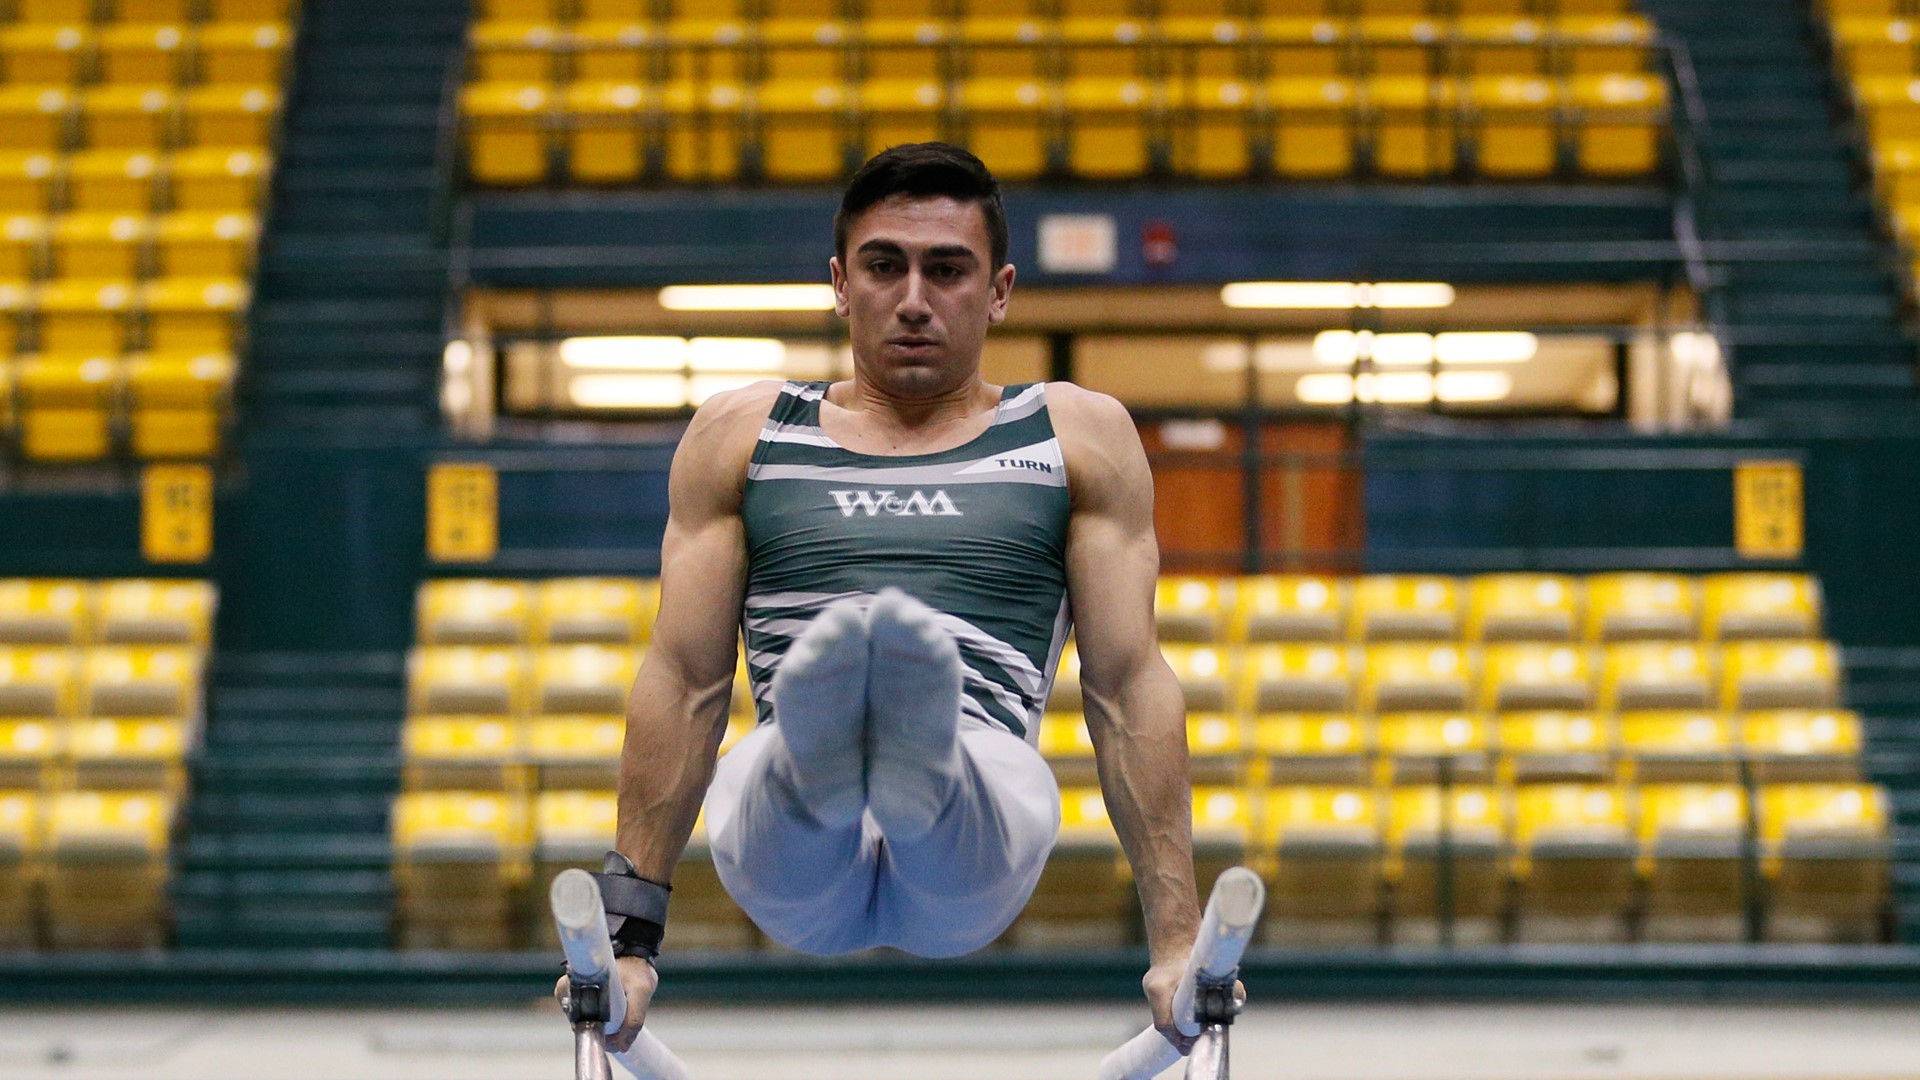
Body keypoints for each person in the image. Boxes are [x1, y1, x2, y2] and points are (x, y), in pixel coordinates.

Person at [558, 142, 1205, 1056]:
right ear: (838, 282)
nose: (912, 299)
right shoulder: (745, 434)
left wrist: (1179, 944)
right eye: (883, 266)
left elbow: (1127, 687)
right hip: (793, 830)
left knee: (981, 781)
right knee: (767, 774)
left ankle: (913, 753)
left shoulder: (1072, 435)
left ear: (1000, 289)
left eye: (947, 271)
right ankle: (840, 748)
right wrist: (628, 939)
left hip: (981, 783)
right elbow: (685, 683)